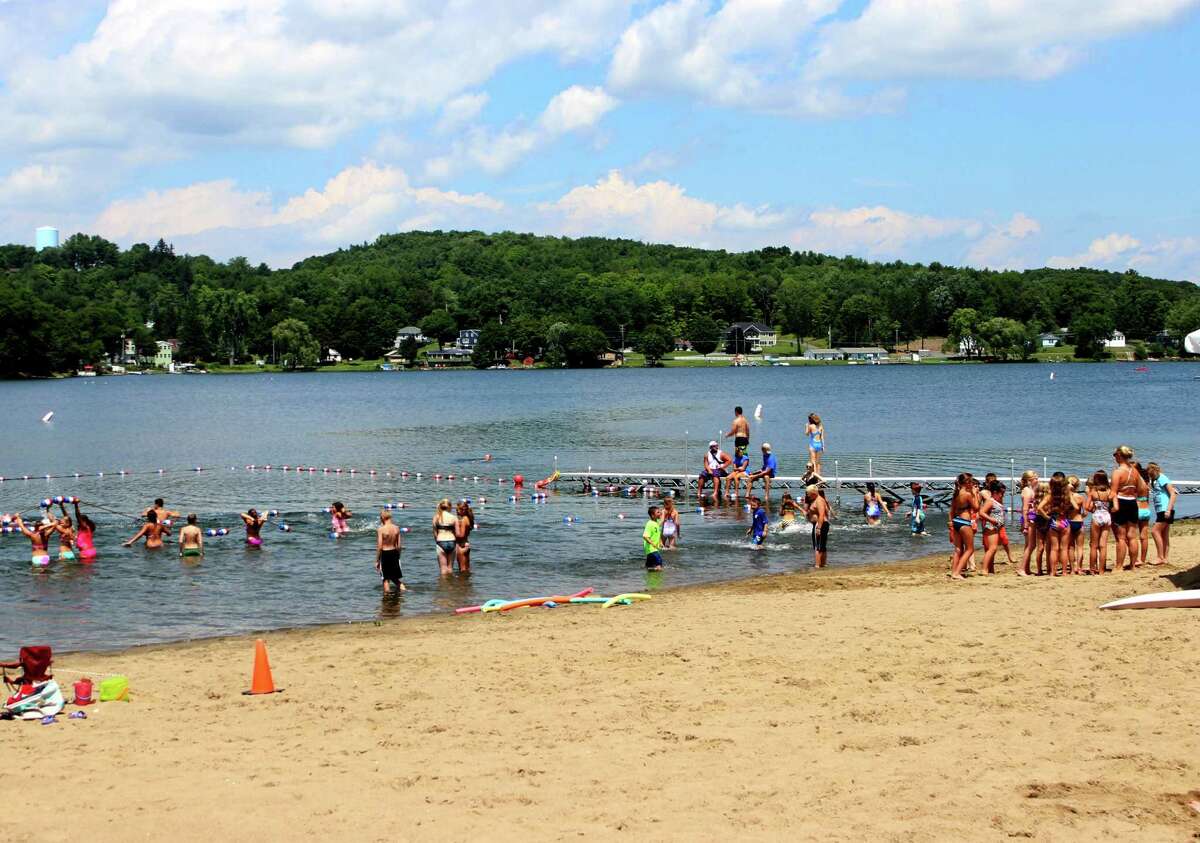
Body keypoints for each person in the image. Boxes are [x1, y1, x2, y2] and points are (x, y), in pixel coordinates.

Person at [1111, 445, 1145, 571]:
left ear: (1120, 455)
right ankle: (1132, 565)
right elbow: (1142, 489)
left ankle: (1119, 566)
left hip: (1121, 501)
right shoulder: (1135, 471)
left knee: (1121, 537)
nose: (1114, 457)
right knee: (1132, 536)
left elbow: (1113, 493)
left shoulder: (1117, 472)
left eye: (1115, 454)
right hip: (1132, 502)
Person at [1037, 472, 1075, 577]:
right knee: (1064, 548)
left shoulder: (1050, 496)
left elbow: (1039, 508)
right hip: (1064, 521)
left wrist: (1046, 517)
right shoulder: (1067, 495)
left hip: (1054, 521)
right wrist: (1068, 512)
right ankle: (1064, 571)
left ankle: (1052, 572)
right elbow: (1076, 507)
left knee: (1054, 548)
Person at [1147, 462, 1176, 566]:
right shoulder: (1156, 480)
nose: (1150, 476)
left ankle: (1160, 557)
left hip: (1165, 509)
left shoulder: (1162, 478)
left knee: (1155, 531)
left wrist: (1168, 510)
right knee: (1164, 534)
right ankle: (1165, 558)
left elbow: (1173, 494)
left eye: (1151, 474)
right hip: (1161, 510)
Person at [1086, 470, 1112, 574]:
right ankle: (1101, 570)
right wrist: (1109, 510)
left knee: (1094, 545)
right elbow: (1116, 507)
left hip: (1097, 516)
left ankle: (1092, 569)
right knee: (1103, 545)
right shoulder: (1110, 492)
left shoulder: (1093, 492)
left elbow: (1087, 507)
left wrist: (1093, 509)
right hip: (1107, 516)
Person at [978, 481, 1005, 575]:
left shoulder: (996, 501)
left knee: (993, 548)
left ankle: (990, 569)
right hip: (990, 527)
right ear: (995, 492)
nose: (1002, 495)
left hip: (995, 527)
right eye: (1001, 493)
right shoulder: (990, 501)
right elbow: (981, 512)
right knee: (992, 548)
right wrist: (991, 520)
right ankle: (984, 569)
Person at [375, 510, 405, 593]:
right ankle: (404, 592)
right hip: (394, 553)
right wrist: (398, 556)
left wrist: (377, 560)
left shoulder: (381, 529)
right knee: (395, 578)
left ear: (382, 518)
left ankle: (387, 598)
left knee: (385, 580)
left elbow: (380, 546)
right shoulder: (396, 528)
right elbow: (399, 546)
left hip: (385, 554)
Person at [1018, 470, 1038, 576]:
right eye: (1035, 478)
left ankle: (1026, 568)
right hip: (1029, 519)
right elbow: (1025, 508)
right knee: (1031, 545)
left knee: (1029, 545)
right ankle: (1021, 568)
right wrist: (1025, 524)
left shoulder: (1030, 490)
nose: (1037, 479)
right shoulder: (1027, 491)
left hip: (1032, 517)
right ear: (1029, 480)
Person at [805, 484, 830, 568]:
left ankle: (817, 566)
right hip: (822, 524)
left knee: (817, 546)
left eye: (808, 493)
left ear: (813, 493)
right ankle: (823, 564)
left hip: (820, 524)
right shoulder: (818, 499)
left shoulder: (819, 500)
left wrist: (818, 528)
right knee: (822, 546)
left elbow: (821, 514)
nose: (807, 495)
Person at [432, 498, 458, 576]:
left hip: (441, 541)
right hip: (452, 541)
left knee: (443, 569)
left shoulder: (436, 517)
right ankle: (450, 582)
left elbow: (435, 533)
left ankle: (443, 583)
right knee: (450, 568)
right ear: (450, 507)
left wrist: (437, 541)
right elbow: (457, 533)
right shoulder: (454, 517)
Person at [1066, 475, 1086, 574]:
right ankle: (1079, 568)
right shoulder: (1080, 497)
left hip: (1069, 522)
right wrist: (1081, 516)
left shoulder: (1066, 498)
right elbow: (1085, 512)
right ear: (1077, 486)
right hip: (1078, 521)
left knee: (1070, 546)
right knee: (1080, 547)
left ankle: (1072, 569)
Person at [454, 500, 475, 573]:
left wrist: (452, 534)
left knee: (462, 570)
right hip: (466, 544)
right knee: (467, 569)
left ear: (462, 510)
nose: (456, 512)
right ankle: (467, 580)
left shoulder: (463, 520)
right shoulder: (468, 518)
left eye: (457, 510)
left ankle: (462, 580)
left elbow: (461, 535)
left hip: (462, 546)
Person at [642, 505, 664, 571]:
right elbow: (645, 536)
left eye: (659, 512)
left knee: (649, 566)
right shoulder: (649, 524)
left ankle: (650, 574)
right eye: (658, 512)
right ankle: (659, 574)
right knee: (659, 562)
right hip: (651, 548)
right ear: (652, 515)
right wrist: (653, 544)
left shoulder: (656, 523)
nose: (660, 513)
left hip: (653, 549)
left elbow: (657, 534)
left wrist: (660, 542)